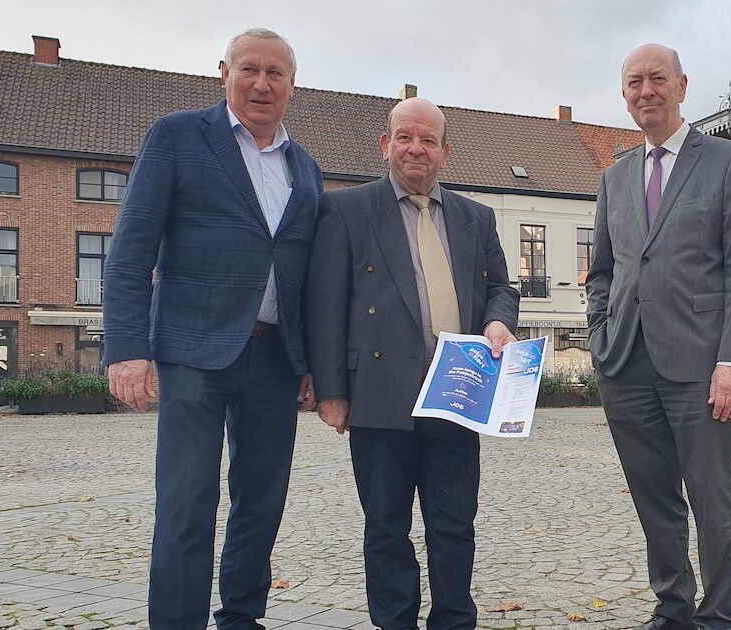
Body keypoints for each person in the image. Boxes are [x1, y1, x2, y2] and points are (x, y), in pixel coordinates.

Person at [101, 28, 322, 630]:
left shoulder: (304, 167)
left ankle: (241, 619)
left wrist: (310, 361)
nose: (261, 83)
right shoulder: (177, 137)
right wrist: (126, 349)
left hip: (274, 360)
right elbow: (131, 249)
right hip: (192, 352)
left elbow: (305, 273)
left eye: (275, 73)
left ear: (292, 85)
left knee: (262, 504)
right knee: (187, 502)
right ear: (223, 73)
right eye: (249, 69)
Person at [306, 97, 519, 630]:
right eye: (404, 137)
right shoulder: (347, 209)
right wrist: (331, 391)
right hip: (379, 395)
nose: (415, 149)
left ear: (445, 151)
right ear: (386, 145)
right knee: (385, 527)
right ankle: (394, 622)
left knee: (455, 527)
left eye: (427, 140)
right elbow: (325, 304)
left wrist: (498, 320)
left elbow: (502, 287)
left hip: (456, 396)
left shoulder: (476, 217)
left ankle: (454, 620)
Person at [585, 44, 731, 630]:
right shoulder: (613, 177)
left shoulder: (729, 162)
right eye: (634, 82)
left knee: (713, 501)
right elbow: (603, 272)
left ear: (682, 86)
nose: (646, 91)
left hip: (701, 365)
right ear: (624, 95)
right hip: (626, 365)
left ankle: (720, 617)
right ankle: (673, 609)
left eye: (657, 79)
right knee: (654, 500)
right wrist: (600, 334)